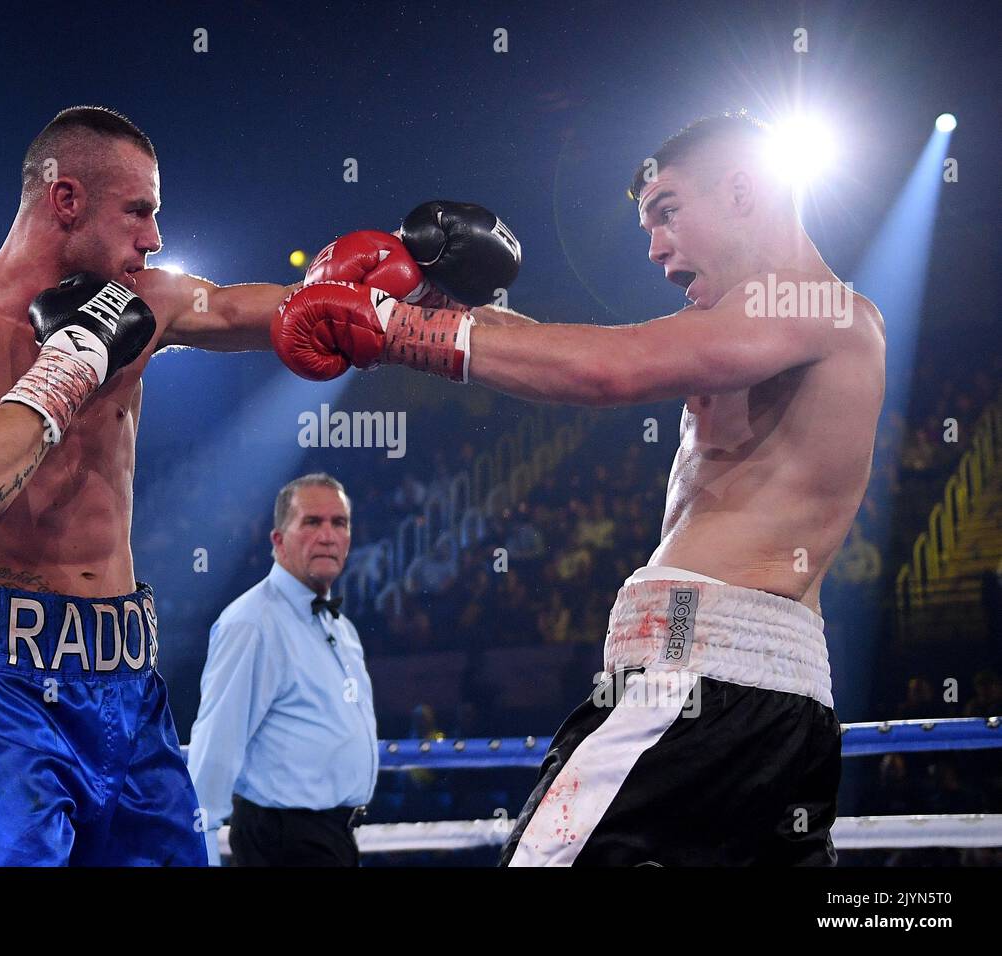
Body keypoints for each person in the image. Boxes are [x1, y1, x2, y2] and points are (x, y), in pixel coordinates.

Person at [273, 111, 886, 865]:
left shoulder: (811, 306)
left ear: (743, 189)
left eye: (668, 213)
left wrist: (396, 328)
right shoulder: (767, 327)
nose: (657, 248)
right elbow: (584, 353)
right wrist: (452, 312)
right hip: (773, 705)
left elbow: (611, 368)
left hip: (699, 679)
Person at [0, 105, 300, 865]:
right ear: (65, 199)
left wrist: (387, 298)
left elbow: (265, 311)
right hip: (1, 680)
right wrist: (69, 367)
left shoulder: (143, 299)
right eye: (138, 211)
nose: (154, 238)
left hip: (126, 673)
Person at [187, 474, 376, 866]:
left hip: (332, 838)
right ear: (278, 541)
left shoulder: (341, 628)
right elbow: (215, 743)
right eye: (312, 522)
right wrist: (200, 851)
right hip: (279, 841)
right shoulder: (252, 623)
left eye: (338, 523)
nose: (327, 535)